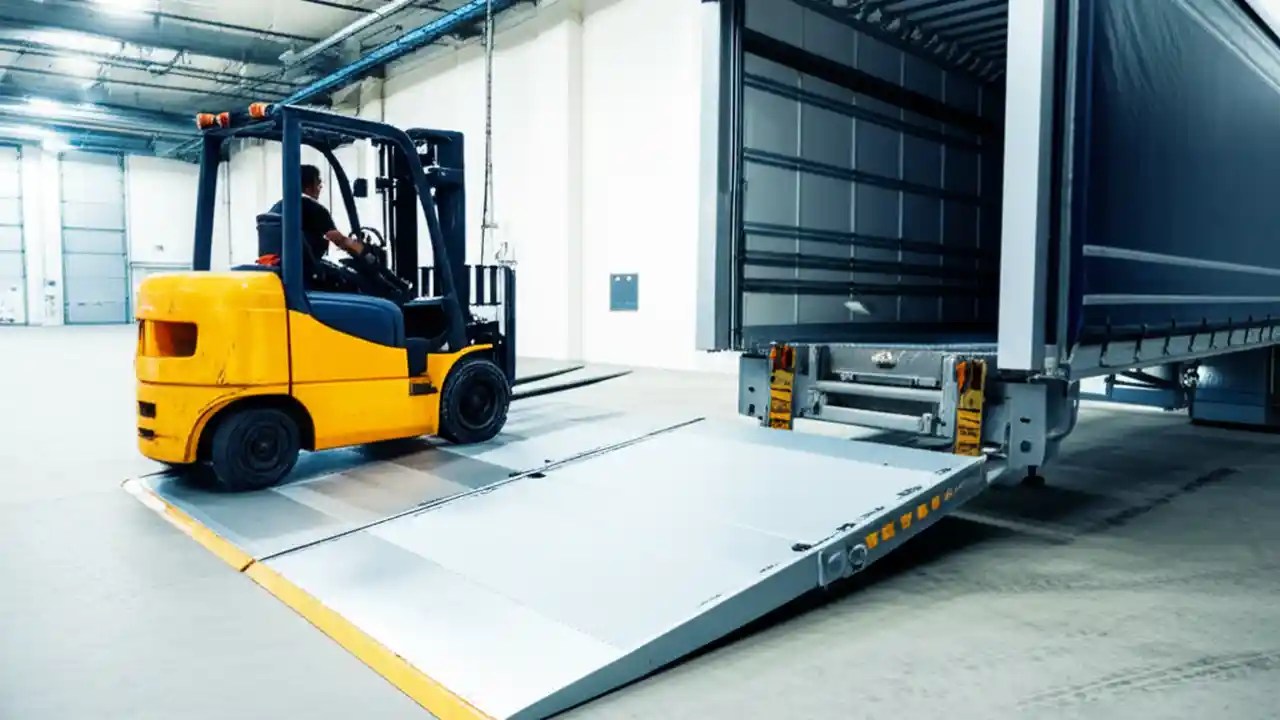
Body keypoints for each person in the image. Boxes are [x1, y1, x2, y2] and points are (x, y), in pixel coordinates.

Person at [263, 164, 367, 268]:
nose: (320, 187)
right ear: (308, 187)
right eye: (318, 183)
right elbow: (339, 239)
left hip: (278, 266)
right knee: (348, 280)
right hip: (304, 270)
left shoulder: (279, 207)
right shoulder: (313, 208)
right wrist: (365, 253)